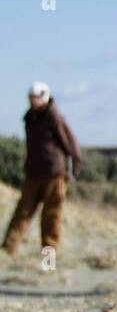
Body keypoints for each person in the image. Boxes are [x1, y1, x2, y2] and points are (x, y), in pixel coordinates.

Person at [3, 82, 81, 257]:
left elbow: (70, 144)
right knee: (22, 213)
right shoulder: (30, 118)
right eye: (31, 98)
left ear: (44, 97)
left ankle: (49, 258)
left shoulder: (54, 117)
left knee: (51, 217)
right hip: (33, 174)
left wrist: (74, 170)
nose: (33, 101)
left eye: (36, 97)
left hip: (54, 175)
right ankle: (7, 251)